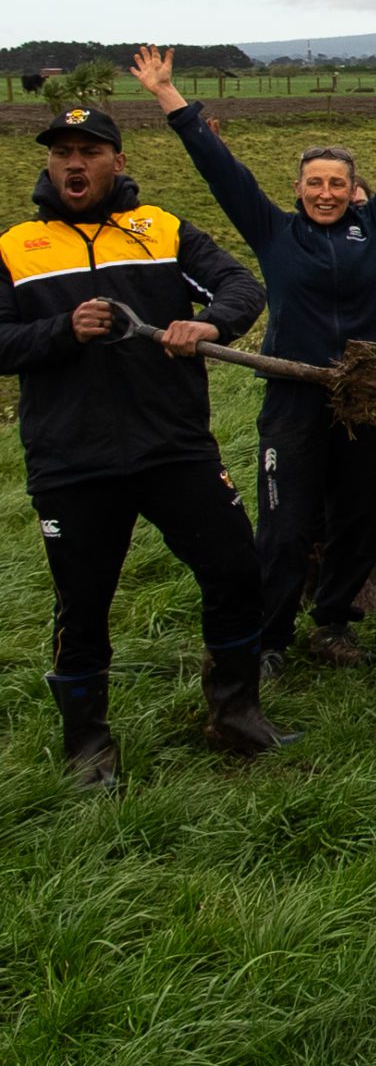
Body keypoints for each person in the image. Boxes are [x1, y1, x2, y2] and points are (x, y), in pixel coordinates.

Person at [135, 44, 376, 674]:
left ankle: (334, 624)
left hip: (368, 391)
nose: (325, 192)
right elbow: (219, 169)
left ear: (352, 190)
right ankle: (270, 637)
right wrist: (168, 97)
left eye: (337, 183)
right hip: (293, 391)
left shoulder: (372, 228)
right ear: (297, 188)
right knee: (286, 525)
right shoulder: (274, 231)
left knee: (358, 517)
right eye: (314, 182)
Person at [1, 104, 293, 787]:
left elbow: (241, 284)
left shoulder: (159, 229)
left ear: (118, 160)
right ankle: (89, 745)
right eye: (63, 151)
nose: (75, 162)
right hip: (72, 458)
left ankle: (235, 713)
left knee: (234, 570)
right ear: (49, 163)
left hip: (173, 446)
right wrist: (61, 331)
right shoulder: (17, 246)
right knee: (84, 600)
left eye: (91, 150)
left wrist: (208, 325)